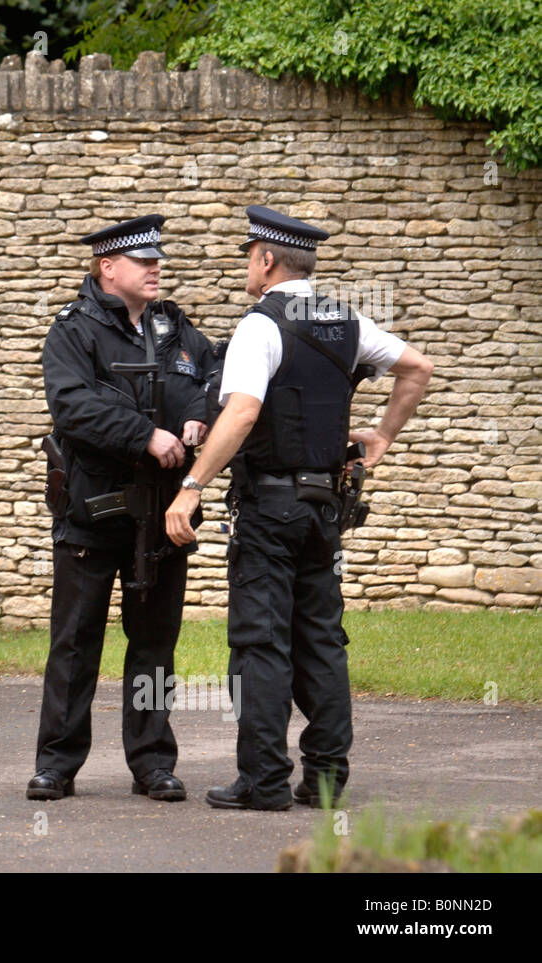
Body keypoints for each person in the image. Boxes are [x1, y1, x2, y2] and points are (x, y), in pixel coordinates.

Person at [163, 205, 433, 810]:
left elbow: (243, 413)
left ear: (265, 260)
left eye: (248, 258)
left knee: (260, 644)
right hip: (324, 511)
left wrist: (193, 486)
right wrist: (382, 437)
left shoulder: (260, 325)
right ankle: (326, 780)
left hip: (268, 508)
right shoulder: (347, 321)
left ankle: (262, 783)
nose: (247, 268)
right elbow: (418, 368)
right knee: (321, 641)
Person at [28, 214, 218, 802]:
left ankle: (152, 762)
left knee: (155, 643)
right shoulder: (73, 330)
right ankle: (56, 765)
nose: (156, 267)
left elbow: (216, 374)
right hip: (92, 510)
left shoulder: (175, 327)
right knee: (75, 642)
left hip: (161, 514)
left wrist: (201, 416)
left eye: (157, 259)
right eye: (144, 261)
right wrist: (144, 435)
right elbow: (72, 407)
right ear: (108, 267)